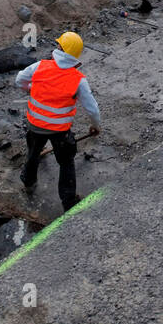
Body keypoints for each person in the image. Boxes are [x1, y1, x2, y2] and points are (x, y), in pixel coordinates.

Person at [15, 32, 103, 212]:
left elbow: (20, 80)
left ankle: (28, 181)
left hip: (35, 125)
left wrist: (31, 89)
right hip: (60, 131)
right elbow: (92, 108)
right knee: (66, 163)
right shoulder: (78, 80)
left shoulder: (40, 66)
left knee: (33, 153)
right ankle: (69, 201)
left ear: (60, 48)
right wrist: (96, 125)